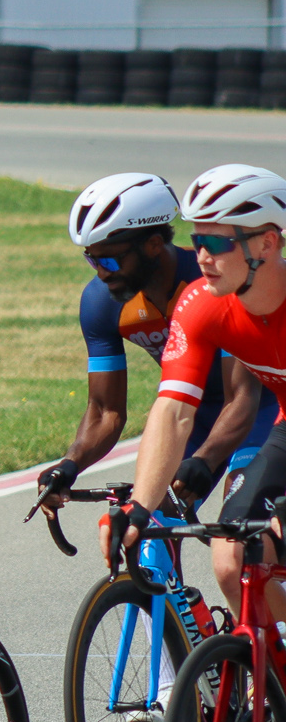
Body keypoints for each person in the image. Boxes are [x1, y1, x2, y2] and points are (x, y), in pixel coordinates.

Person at [116, 165, 286, 632]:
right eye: (196, 243)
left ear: (267, 244)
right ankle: (269, 678)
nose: (202, 257)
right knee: (231, 556)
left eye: (216, 244)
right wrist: (140, 508)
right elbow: (173, 412)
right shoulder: (202, 303)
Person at [38, 172, 270, 513]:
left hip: (263, 407)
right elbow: (105, 411)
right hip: (196, 411)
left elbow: (242, 397)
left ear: (152, 245)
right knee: (147, 518)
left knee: (240, 526)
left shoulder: (215, 284)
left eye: (110, 260)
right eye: (92, 260)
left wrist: (204, 460)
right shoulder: (102, 303)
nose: (102, 273)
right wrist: (69, 464)